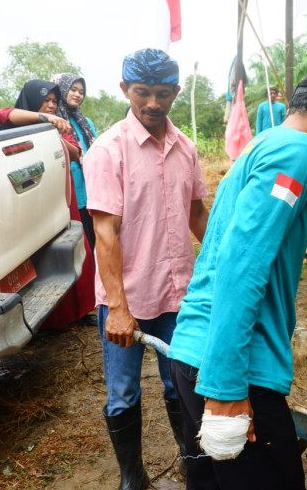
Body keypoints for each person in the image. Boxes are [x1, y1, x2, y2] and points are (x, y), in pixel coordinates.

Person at [167, 68, 307, 489]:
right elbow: (242, 262)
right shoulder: (299, 150)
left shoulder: (260, 145)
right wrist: (225, 386)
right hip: (234, 368)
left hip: (192, 352)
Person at [83, 48, 209, 490]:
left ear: (175, 91)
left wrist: (218, 268)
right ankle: (132, 478)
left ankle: (192, 464)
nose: (152, 104)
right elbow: (105, 234)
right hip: (127, 300)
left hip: (179, 296)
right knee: (122, 392)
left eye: (161, 94)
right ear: (124, 90)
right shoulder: (107, 151)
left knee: (182, 385)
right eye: (142, 93)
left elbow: (197, 216)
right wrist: (118, 307)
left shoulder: (186, 148)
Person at [0, 79, 95, 329]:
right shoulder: (24, 120)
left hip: (59, 191)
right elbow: (2, 113)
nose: (51, 105)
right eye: (46, 100)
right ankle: (50, 320)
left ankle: (79, 312)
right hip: (30, 200)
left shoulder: (58, 125)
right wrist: (44, 118)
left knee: (74, 249)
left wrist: (59, 137)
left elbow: (74, 152)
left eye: (54, 101)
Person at [53, 73, 99, 252]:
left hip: (92, 192)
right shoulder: (54, 121)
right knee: (80, 249)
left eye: (81, 91)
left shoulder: (85, 122)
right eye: (73, 89)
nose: (78, 94)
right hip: (70, 194)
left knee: (96, 244)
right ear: (62, 90)